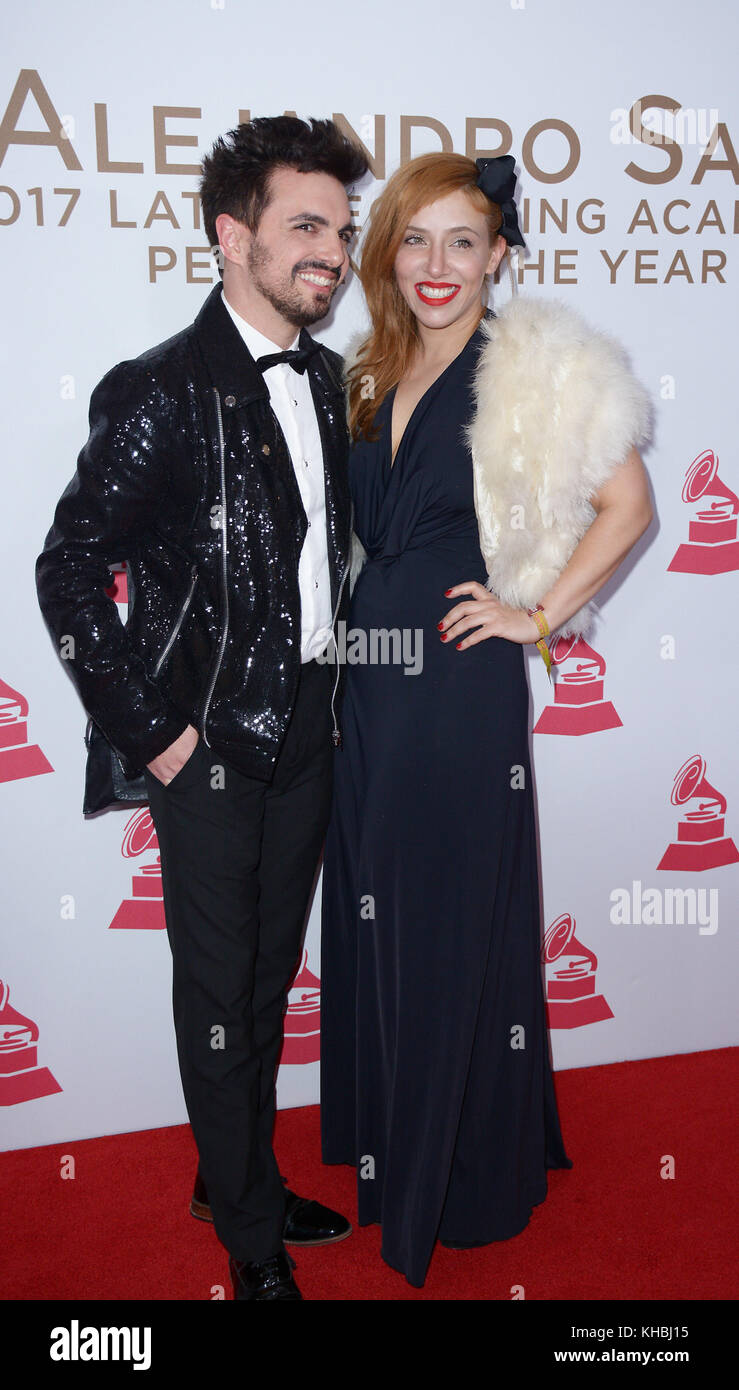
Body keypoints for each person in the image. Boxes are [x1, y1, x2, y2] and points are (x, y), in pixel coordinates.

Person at [36, 116, 369, 1302]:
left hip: (311, 727)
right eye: (306, 226)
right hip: (211, 744)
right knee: (221, 993)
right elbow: (69, 568)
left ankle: (232, 1177)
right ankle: (249, 1238)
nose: (332, 251)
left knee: (267, 978)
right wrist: (154, 730)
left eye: (342, 229)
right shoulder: (161, 391)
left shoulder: (324, 379)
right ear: (234, 237)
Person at [319, 152, 653, 1288]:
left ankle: (457, 1178)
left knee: (445, 913)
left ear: (498, 254)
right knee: (380, 909)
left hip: (455, 685)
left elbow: (629, 505)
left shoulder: (534, 370)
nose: (436, 264)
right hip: (368, 674)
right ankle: (393, 1138)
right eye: (414, 239)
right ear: (387, 253)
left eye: (462, 241)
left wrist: (538, 617)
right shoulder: (373, 367)